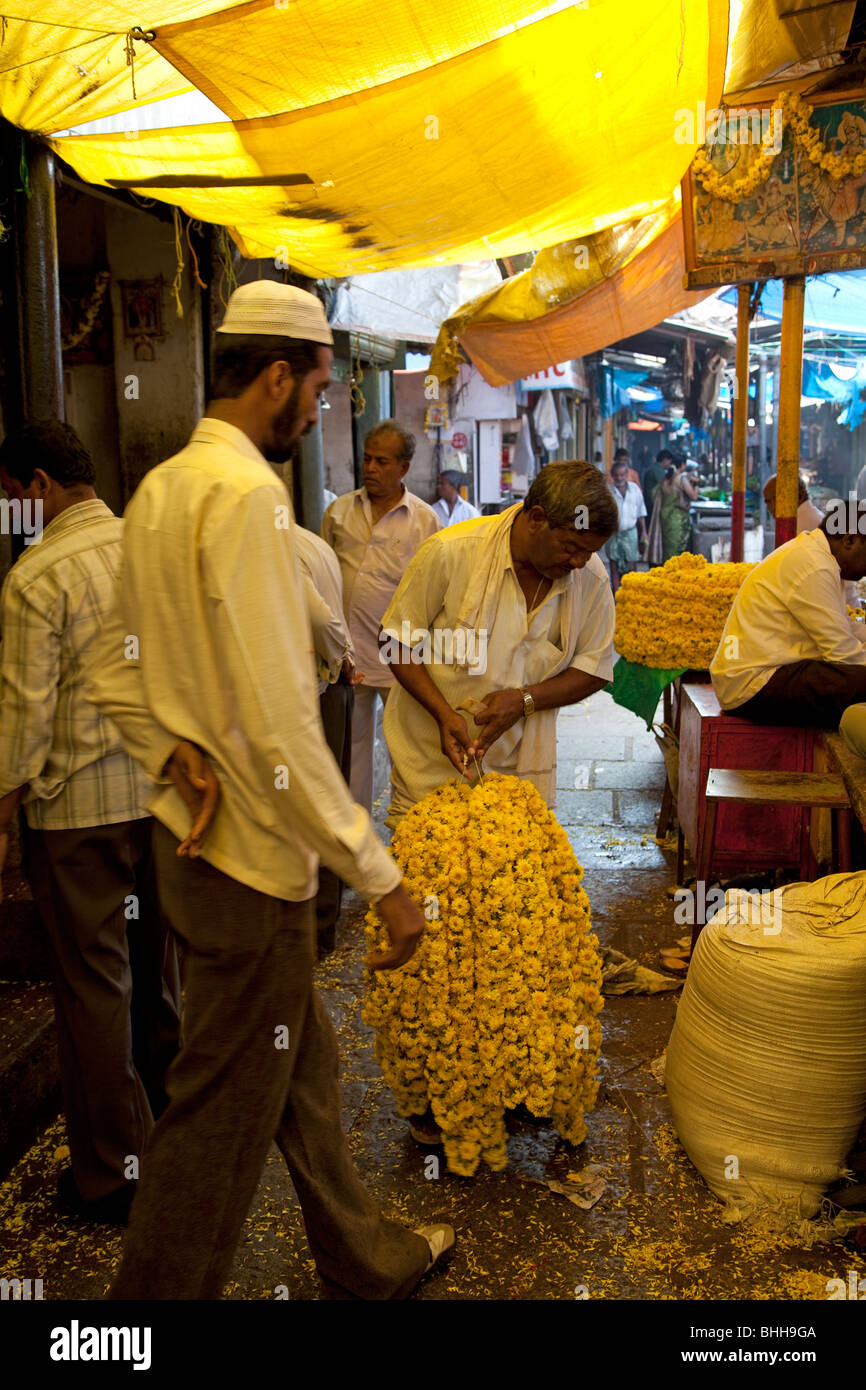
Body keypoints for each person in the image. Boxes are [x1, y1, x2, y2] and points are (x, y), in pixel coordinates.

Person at [85, 280, 454, 1299]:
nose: (320, 413)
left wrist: (170, 749)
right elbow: (279, 721)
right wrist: (380, 876)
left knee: (301, 1071)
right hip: (250, 863)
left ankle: (361, 1258)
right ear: (280, 377)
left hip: (193, 843)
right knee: (217, 1112)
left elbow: (112, 669)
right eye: (321, 389)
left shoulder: (162, 487)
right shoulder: (247, 495)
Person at [0, 421, 180, 1224]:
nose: (11, 516)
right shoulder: (149, 548)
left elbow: (23, 721)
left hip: (76, 814)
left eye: (11, 500)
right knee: (155, 974)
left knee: (93, 990)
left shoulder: (37, 577)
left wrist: (2, 817)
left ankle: (112, 1175)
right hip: (160, 799)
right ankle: (171, 1139)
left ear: (39, 485)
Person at [380, 460, 618, 826]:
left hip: (517, 778)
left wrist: (525, 700)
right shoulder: (451, 551)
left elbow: (595, 668)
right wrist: (444, 714)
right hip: (428, 772)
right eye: (571, 547)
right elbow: (394, 642)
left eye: (589, 552)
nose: (579, 561)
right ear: (536, 518)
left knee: (511, 878)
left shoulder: (591, 577)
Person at [322, 421, 440, 814]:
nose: (370, 468)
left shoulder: (424, 522)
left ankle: (412, 826)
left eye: (382, 461)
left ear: (403, 468)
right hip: (346, 653)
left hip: (401, 656)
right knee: (351, 747)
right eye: (367, 459)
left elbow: (437, 590)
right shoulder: (339, 512)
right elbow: (321, 576)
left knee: (407, 748)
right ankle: (355, 832)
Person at [710, 513, 866, 725]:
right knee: (858, 680)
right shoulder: (815, 566)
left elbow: (844, 628)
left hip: (754, 677)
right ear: (849, 540)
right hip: (753, 685)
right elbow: (843, 654)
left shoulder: (819, 557)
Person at [294, 524, 357, 957]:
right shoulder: (312, 541)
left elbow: (320, 618)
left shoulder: (274, 545)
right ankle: (321, 928)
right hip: (331, 685)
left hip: (314, 691)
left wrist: (339, 658)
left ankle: (314, 930)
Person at [606, 458, 647, 591]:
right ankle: (616, 598)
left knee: (631, 565)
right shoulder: (607, 492)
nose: (619, 478)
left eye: (622, 475)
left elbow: (641, 511)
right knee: (614, 566)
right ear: (612, 475)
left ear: (627, 474)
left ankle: (630, 595)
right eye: (616, 475)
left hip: (631, 532)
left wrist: (644, 533)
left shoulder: (634, 489)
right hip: (613, 534)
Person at [657, 454, 699, 563]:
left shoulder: (666, 478)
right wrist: (697, 484)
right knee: (678, 549)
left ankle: (667, 572)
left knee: (668, 548)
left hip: (665, 517)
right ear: (683, 464)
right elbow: (693, 496)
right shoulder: (681, 479)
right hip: (678, 518)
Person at [642, 447, 671, 515]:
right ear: (665, 460)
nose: (670, 464)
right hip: (653, 504)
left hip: (649, 503)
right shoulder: (658, 470)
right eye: (670, 461)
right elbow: (664, 486)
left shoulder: (654, 468)